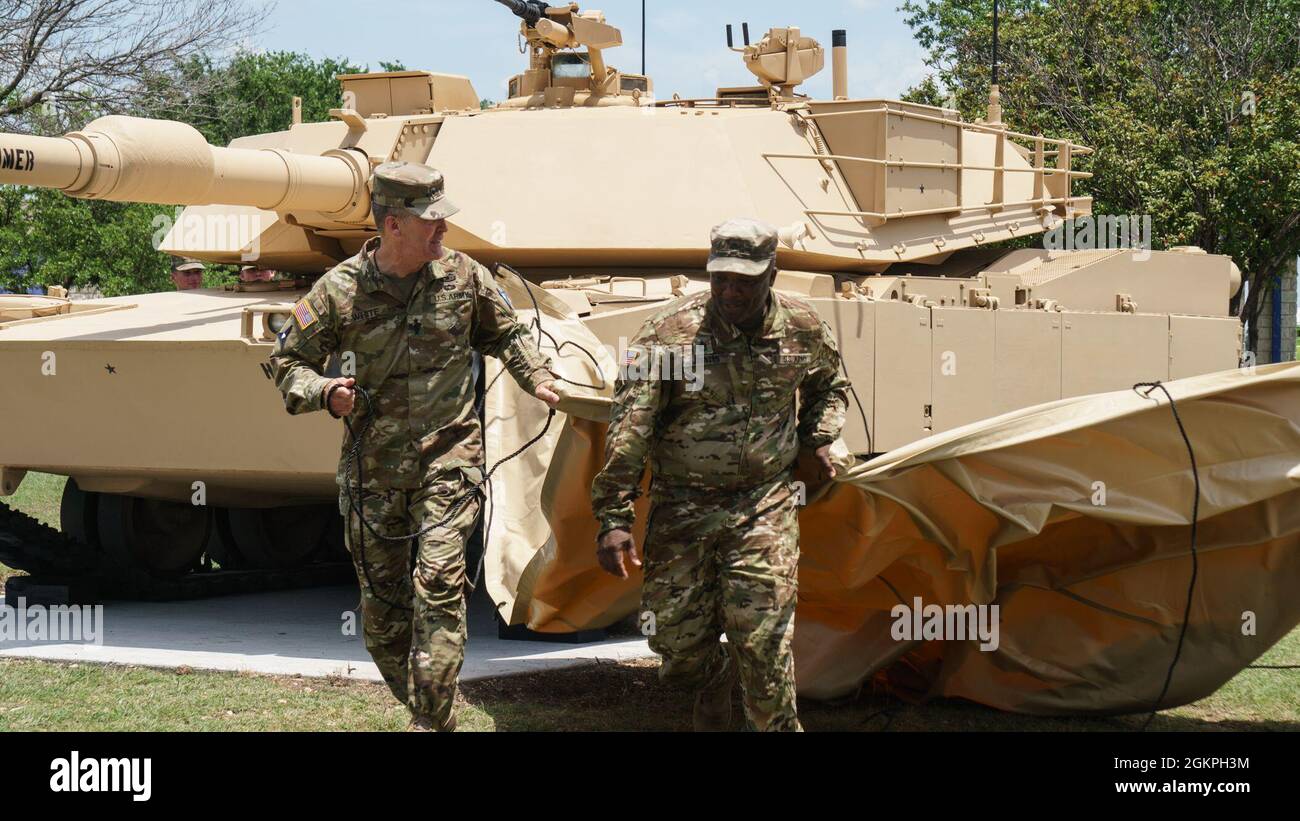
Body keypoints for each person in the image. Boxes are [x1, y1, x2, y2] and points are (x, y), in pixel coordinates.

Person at [270, 161, 559, 731]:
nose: (443, 230)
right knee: (382, 624)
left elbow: (507, 334)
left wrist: (540, 378)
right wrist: (324, 391)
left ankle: (426, 724)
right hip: (372, 475)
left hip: (450, 462)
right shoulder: (339, 290)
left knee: (440, 587)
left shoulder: (465, 278)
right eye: (431, 221)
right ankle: (437, 716)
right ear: (393, 223)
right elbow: (286, 363)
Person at [590, 217, 849, 731]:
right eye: (721, 279)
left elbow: (830, 386)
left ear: (772, 274)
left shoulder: (801, 326)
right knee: (676, 644)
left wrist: (818, 436)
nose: (730, 292)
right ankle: (711, 680)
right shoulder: (669, 336)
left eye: (745, 282)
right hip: (682, 506)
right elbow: (630, 430)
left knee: (764, 640)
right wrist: (613, 517)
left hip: (763, 504)